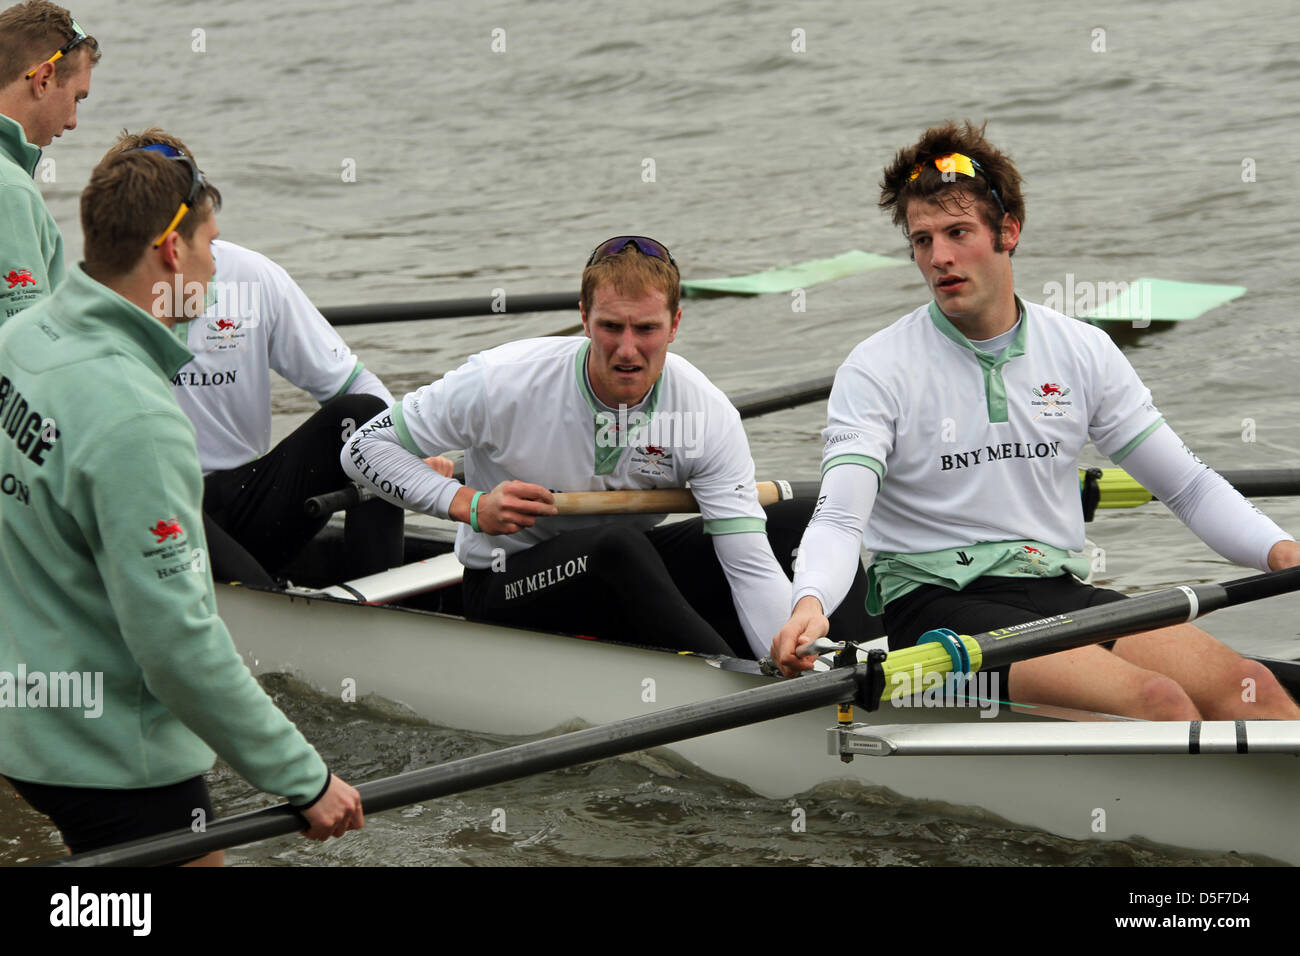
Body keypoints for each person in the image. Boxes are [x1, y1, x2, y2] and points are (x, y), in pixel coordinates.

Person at [771, 122, 1300, 721]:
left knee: (1247, 684)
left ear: (1009, 232)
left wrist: (1279, 550)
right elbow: (841, 516)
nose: (938, 256)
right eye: (922, 240)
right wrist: (810, 601)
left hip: (1058, 588)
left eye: (957, 232)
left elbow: (1187, 486)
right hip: (938, 609)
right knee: (1157, 700)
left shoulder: (1082, 350)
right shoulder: (875, 368)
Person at [0, 143, 364, 865]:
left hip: (22, 722)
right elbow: (177, 645)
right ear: (171, 250)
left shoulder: (20, 340)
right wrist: (304, 777)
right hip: (110, 752)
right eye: (209, 246)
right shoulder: (137, 416)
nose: (215, 266)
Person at [342, 236, 867, 659]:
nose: (628, 349)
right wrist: (468, 505)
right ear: (584, 318)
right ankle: (738, 695)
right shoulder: (500, 382)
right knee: (614, 545)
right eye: (610, 327)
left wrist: (788, 654)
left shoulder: (705, 413)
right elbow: (363, 449)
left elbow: (747, 565)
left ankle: (855, 664)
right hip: (505, 584)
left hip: (620, 571)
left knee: (796, 519)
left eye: (647, 329)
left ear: (675, 325)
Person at [105, 129, 452, 586]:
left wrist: (407, 457)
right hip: (154, 508)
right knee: (152, 482)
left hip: (248, 500)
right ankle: (267, 599)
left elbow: (353, 387)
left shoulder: (252, 276)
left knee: (367, 419)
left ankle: (377, 594)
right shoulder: (103, 298)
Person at [0, 1, 97, 321]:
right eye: (76, 98)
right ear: (43, 78)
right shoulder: (10, 189)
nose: (73, 122)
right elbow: (20, 349)